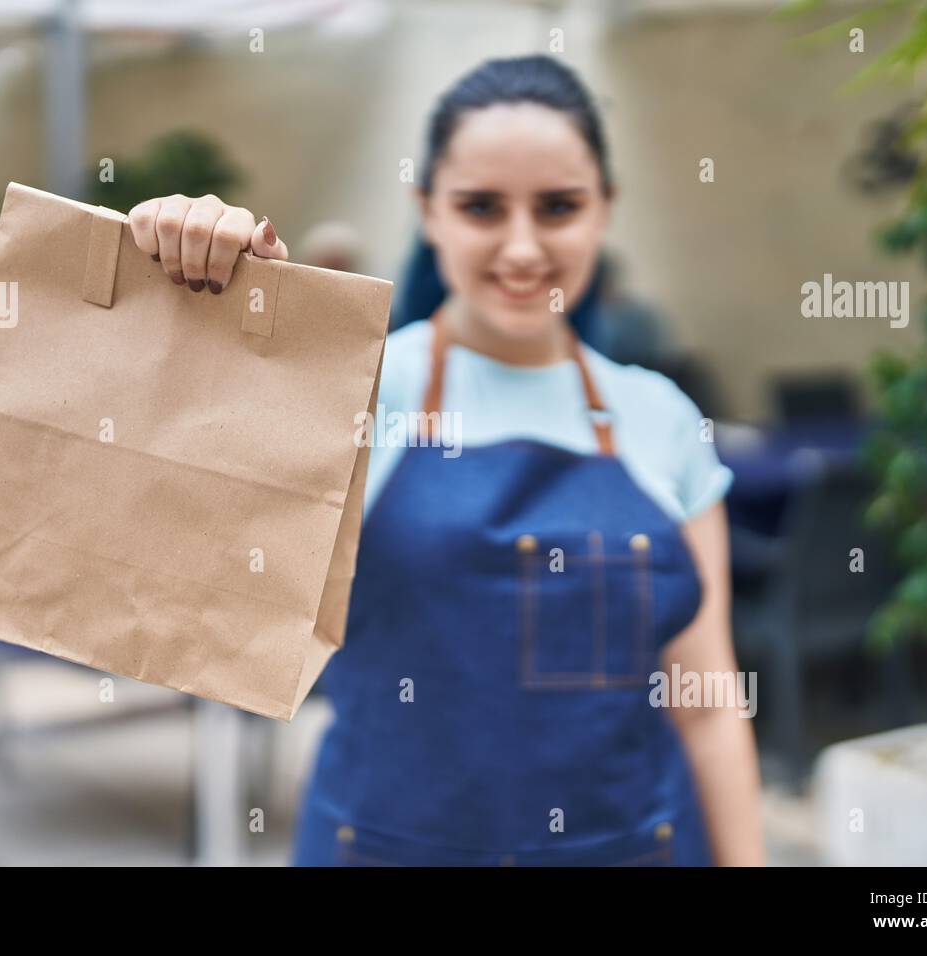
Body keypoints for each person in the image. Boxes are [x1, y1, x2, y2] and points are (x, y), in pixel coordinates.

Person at [124, 54, 763, 866]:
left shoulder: (662, 417)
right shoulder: (352, 387)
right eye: (482, 208)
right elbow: (177, 563)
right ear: (428, 211)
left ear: (606, 210)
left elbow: (705, 705)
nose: (523, 247)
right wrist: (189, 296)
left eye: (559, 207)